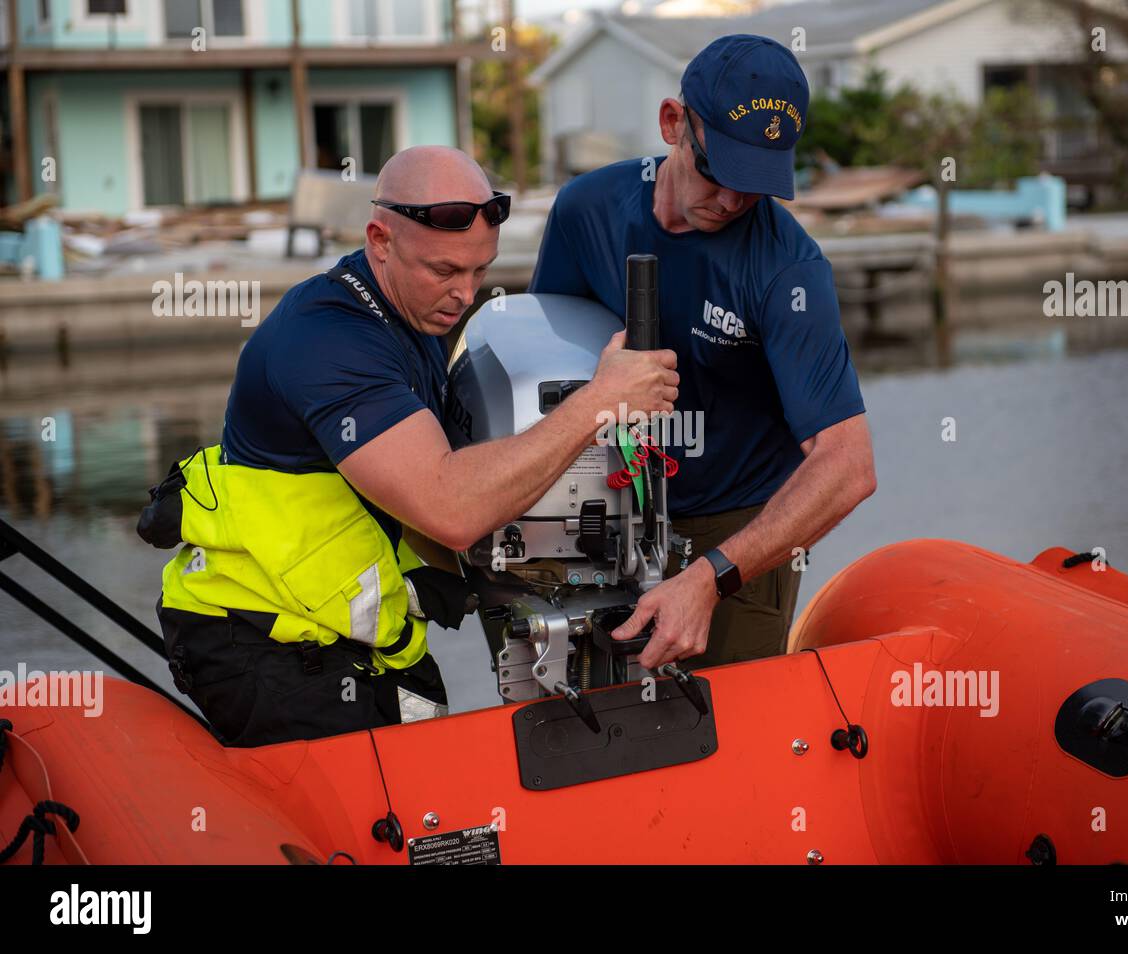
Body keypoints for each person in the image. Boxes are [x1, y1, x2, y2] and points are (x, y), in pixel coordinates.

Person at [143, 146, 678, 746]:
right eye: (444, 271)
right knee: (356, 830)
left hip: (339, 622)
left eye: (480, 272)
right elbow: (448, 507)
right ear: (380, 240)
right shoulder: (327, 340)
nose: (464, 295)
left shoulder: (414, 317)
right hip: (258, 636)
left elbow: (419, 501)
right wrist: (601, 400)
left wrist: (500, 574)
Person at [529, 35, 877, 671]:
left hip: (736, 529)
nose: (735, 201)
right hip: (608, 503)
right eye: (721, 173)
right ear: (673, 124)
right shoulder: (587, 210)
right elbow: (539, 368)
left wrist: (710, 578)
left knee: (722, 739)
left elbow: (848, 466)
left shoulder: (790, 271)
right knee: (589, 729)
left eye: (759, 183)